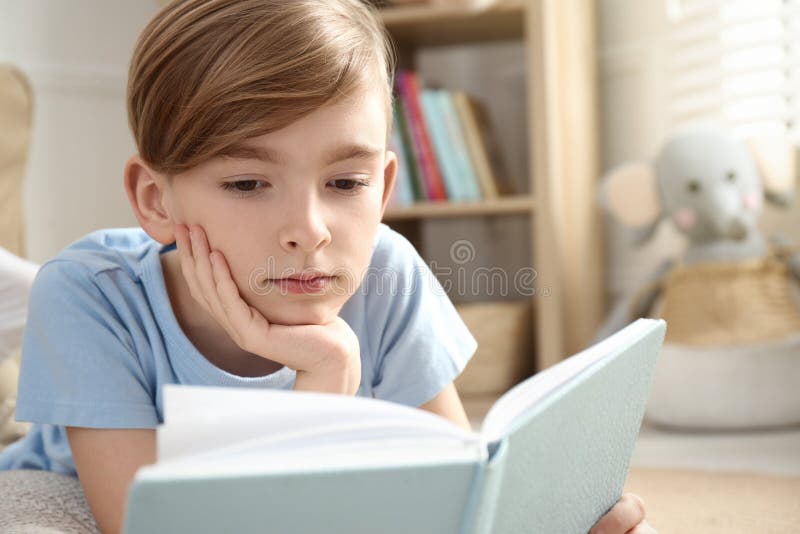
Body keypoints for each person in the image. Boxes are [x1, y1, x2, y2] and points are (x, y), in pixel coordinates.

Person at [0, 1, 655, 533]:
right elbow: (152, 526)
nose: (310, 231)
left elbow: (455, 498)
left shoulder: (387, 273)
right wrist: (327, 375)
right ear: (154, 200)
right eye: (248, 184)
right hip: (67, 483)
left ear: (384, 186)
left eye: (345, 183)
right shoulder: (89, 294)